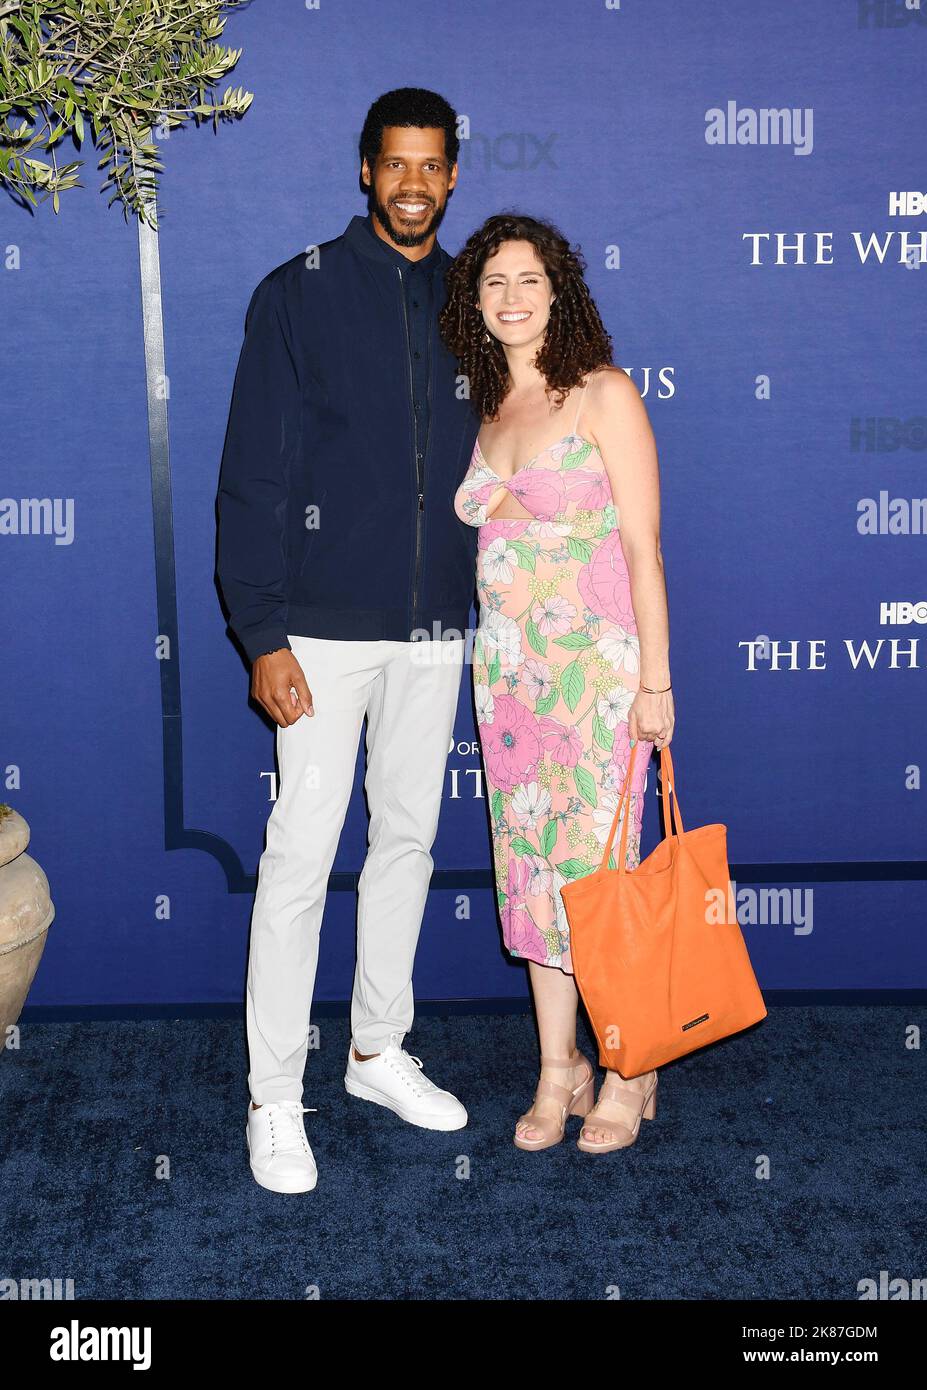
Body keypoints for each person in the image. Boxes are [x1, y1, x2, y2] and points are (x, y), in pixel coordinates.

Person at [216, 88, 480, 1194]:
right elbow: (252, 479)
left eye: (432, 166)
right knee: (297, 862)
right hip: (317, 635)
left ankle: (375, 1050)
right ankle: (275, 1097)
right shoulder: (297, 294)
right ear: (365, 172)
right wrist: (261, 632)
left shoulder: (479, 296)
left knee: (408, 845)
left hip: (434, 634)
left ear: (451, 175)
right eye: (395, 165)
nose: (413, 183)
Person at [441, 214, 675, 1154]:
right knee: (535, 882)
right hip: (510, 688)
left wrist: (655, 683)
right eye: (493, 282)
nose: (511, 297)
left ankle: (632, 1067)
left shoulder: (604, 394)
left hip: (599, 680)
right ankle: (558, 1069)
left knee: (603, 879)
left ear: (560, 289)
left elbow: (641, 547)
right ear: (476, 301)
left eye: (528, 280)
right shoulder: (492, 406)